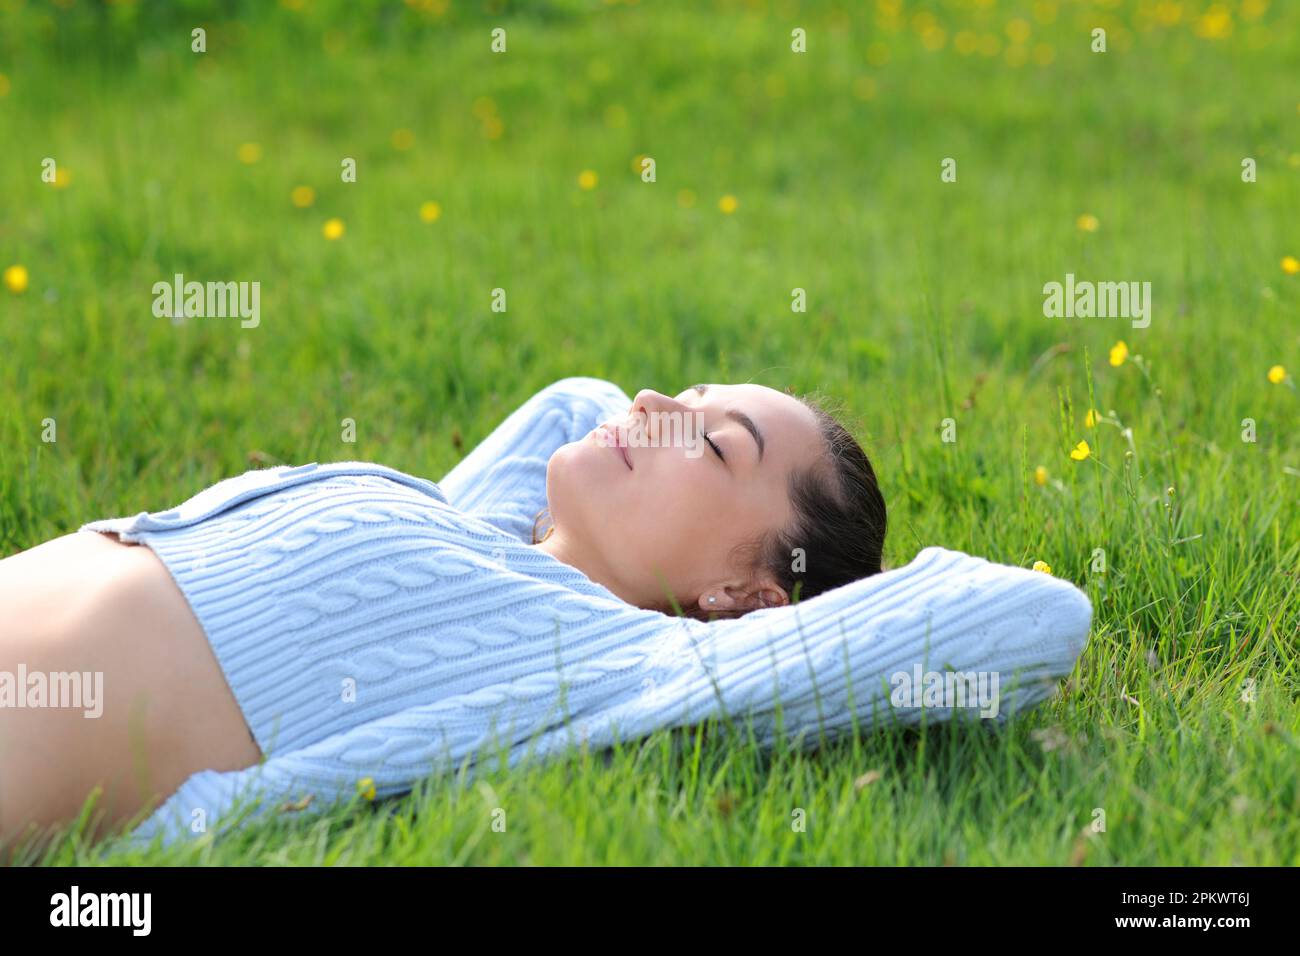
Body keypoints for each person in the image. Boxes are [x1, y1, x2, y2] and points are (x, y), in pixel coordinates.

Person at [0, 377, 1091, 857]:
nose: (653, 410)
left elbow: (1022, 616)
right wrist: (673, 444)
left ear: (748, 600)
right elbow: (576, 398)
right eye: (681, 391)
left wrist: (771, 625)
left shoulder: (623, 661)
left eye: (713, 445)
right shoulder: (468, 523)